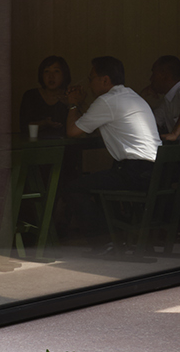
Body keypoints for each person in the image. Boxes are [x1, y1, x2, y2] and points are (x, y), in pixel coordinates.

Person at [64, 56, 160, 248]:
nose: (89, 84)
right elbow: (91, 122)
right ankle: (115, 236)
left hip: (134, 172)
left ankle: (103, 242)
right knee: (103, 179)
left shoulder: (107, 101)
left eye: (91, 78)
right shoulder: (131, 96)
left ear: (105, 80)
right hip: (155, 172)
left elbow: (73, 131)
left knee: (72, 187)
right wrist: (81, 106)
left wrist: (73, 104)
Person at [18, 55, 72, 137]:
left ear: (64, 74)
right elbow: (24, 127)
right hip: (37, 146)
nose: (51, 76)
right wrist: (44, 123)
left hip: (67, 146)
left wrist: (71, 104)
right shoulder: (31, 95)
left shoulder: (71, 95)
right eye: (46, 71)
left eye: (56, 71)